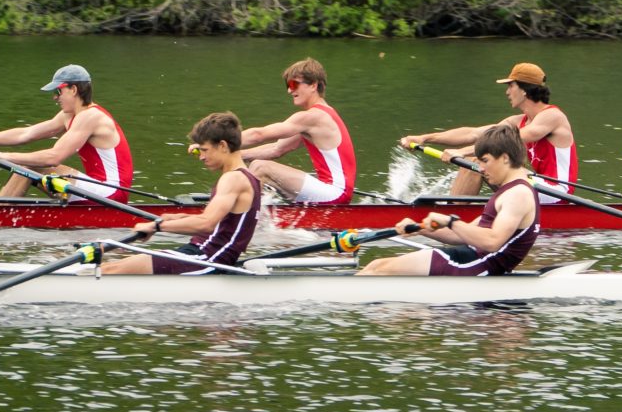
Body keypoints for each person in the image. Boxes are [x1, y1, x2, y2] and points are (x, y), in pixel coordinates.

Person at [359, 125, 539, 276]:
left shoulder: (518, 194)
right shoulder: (509, 191)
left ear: (505, 158)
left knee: (377, 270)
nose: (481, 169)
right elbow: (459, 236)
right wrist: (419, 228)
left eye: (485, 161)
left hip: (477, 265)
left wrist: (450, 221)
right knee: (376, 266)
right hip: (471, 260)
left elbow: (492, 242)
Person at [104, 113, 260, 275]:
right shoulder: (246, 177)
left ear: (222, 146)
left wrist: (156, 226)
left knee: (110, 270)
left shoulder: (233, 179)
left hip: (207, 259)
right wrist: (176, 218)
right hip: (201, 254)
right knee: (111, 267)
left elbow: (206, 223)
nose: (201, 157)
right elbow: (222, 224)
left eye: (204, 150)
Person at [399, 62, 578, 203]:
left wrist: (462, 152)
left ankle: (452, 216)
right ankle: (454, 212)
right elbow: (473, 134)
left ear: (524, 90)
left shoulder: (553, 116)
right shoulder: (517, 121)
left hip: (556, 193)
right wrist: (424, 138)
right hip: (536, 185)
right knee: (479, 161)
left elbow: (506, 141)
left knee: (478, 161)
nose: (507, 92)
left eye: (511, 86)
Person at [0, 64, 134, 202]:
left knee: (30, 166)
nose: (55, 97)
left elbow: (53, 157)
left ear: (73, 90)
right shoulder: (69, 115)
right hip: (95, 188)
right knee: (27, 166)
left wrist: (3, 155)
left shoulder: (91, 116)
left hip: (112, 194)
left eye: (58, 92)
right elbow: (25, 134)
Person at [242, 57, 357, 204]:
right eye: (288, 85)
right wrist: (234, 155)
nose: (290, 90)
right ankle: (255, 210)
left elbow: (258, 135)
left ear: (313, 85)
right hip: (332, 192)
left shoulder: (314, 117)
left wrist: (221, 141)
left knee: (259, 167)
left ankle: (244, 214)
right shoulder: (317, 119)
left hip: (336, 194)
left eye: (294, 84)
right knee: (256, 168)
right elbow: (276, 149)